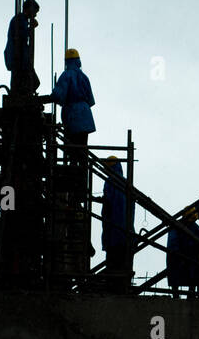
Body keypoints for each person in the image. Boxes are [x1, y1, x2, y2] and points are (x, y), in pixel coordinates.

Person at [45, 47, 96, 166]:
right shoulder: (84, 77)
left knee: (72, 149)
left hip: (73, 116)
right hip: (85, 116)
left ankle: (73, 169)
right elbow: (91, 100)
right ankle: (82, 172)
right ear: (78, 61)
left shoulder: (66, 75)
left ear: (66, 62)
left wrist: (49, 98)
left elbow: (57, 95)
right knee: (83, 148)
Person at [100, 155, 134, 289]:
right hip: (126, 232)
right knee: (123, 263)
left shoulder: (110, 182)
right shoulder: (126, 183)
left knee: (113, 263)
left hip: (113, 230)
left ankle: (113, 287)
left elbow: (109, 204)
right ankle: (122, 287)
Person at [4, 0, 41, 96]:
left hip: (20, 59)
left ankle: (22, 96)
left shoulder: (21, 20)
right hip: (19, 60)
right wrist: (31, 27)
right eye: (35, 12)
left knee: (27, 84)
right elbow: (20, 36)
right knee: (30, 83)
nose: (35, 15)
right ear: (29, 9)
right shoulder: (19, 19)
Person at [167, 207, 198, 299]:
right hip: (176, 255)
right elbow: (173, 242)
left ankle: (190, 295)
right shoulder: (176, 226)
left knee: (191, 275)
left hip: (189, 255)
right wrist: (177, 253)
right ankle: (176, 296)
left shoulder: (194, 226)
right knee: (175, 275)